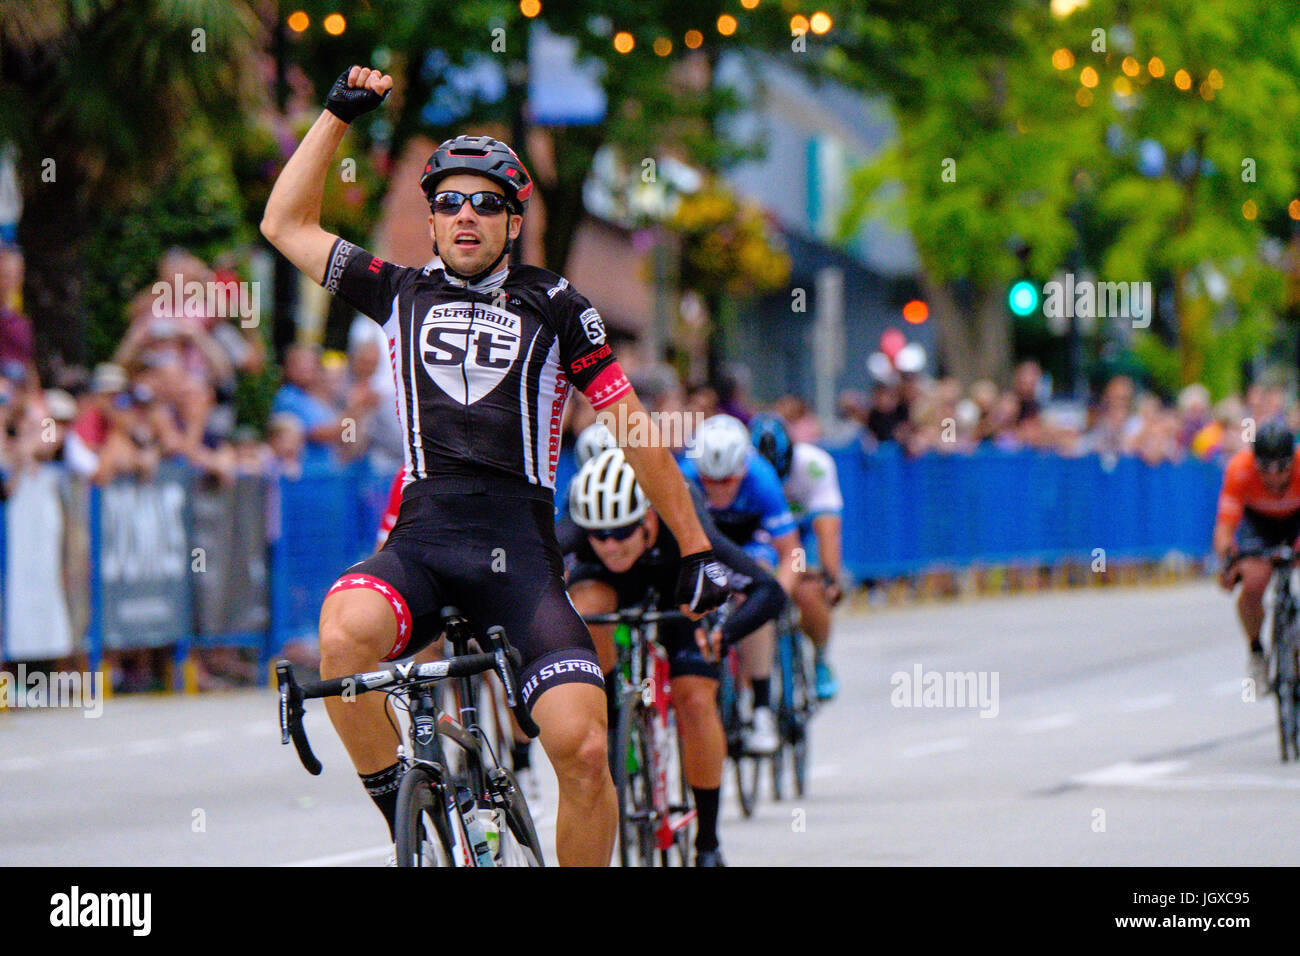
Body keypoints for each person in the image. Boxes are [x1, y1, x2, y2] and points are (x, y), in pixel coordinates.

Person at [258, 65, 727, 866]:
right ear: (432, 221)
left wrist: (696, 549)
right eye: (448, 202)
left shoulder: (559, 305)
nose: (465, 215)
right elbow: (285, 224)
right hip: (422, 546)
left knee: (582, 751)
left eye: (487, 204)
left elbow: (636, 433)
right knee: (341, 642)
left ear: (514, 222)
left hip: (523, 564)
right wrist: (336, 116)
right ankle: (405, 815)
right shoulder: (396, 290)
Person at [564, 448, 786, 866]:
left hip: (677, 586)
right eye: (599, 535)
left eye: (621, 531)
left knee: (695, 699)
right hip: (609, 590)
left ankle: (707, 842)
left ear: (647, 518)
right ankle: (613, 715)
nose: (609, 544)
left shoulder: (683, 522)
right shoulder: (577, 531)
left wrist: (724, 632)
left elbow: (769, 591)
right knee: (586, 606)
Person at [679, 413, 800, 753]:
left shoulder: (762, 478)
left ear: (743, 469)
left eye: (729, 481)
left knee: (754, 591)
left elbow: (792, 553)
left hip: (751, 543)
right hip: (706, 541)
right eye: (710, 482)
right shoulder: (685, 476)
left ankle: (761, 709)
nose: (719, 490)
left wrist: (776, 599)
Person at [750, 412, 845, 701]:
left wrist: (831, 577)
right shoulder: (745, 470)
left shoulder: (814, 464)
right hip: (760, 539)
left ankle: (819, 659)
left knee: (809, 590)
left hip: (798, 542)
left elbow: (828, 528)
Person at [1213, 419, 1300, 694]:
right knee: (1253, 582)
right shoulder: (1239, 469)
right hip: (1259, 524)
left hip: (1296, 521)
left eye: (1282, 468)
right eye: (1266, 468)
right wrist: (1228, 561)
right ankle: (1257, 651)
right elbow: (1225, 526)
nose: (1274, 477)